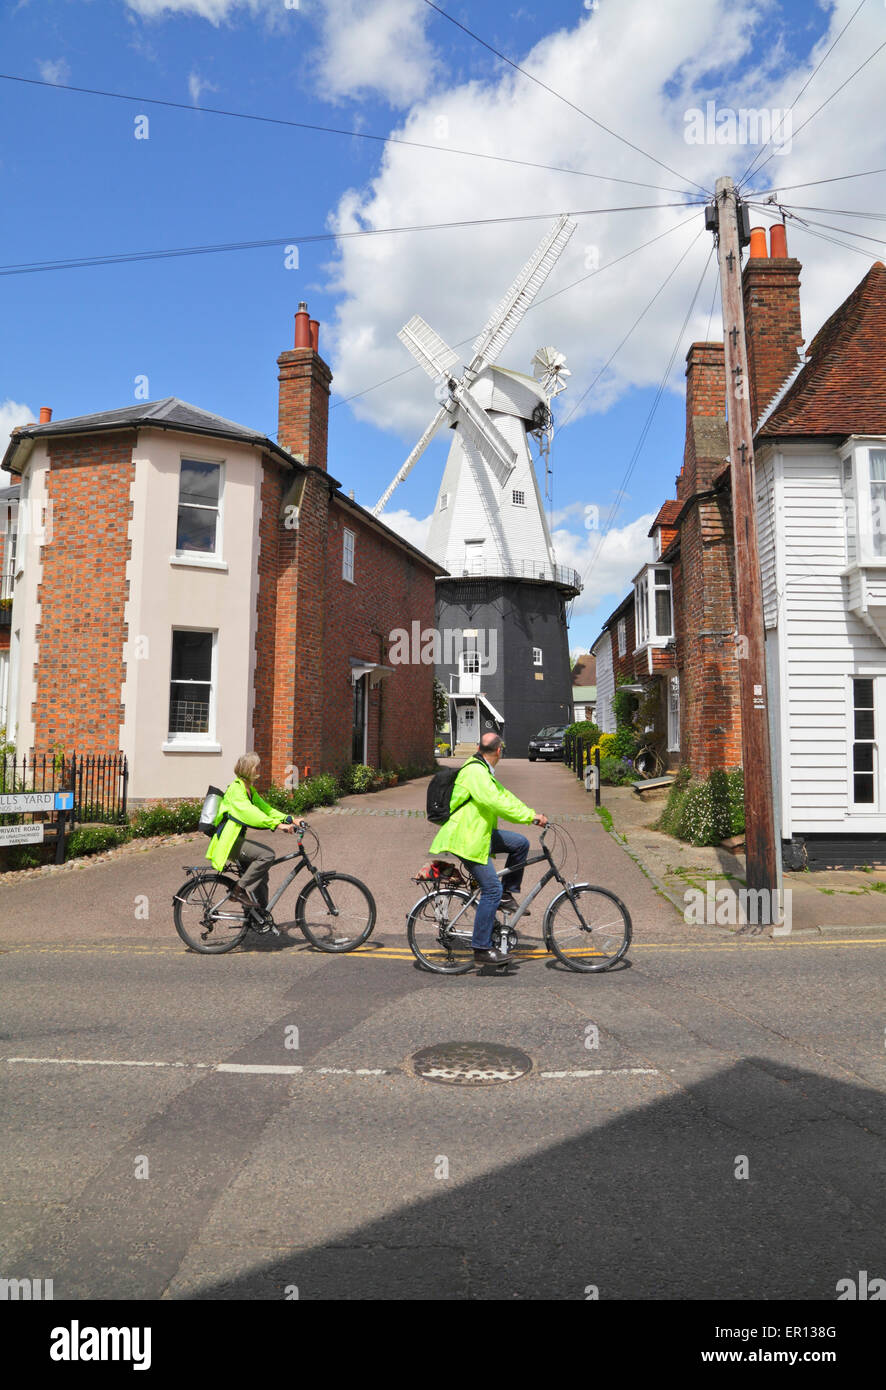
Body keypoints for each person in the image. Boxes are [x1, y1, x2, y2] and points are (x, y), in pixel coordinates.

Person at [429, 732, 548, 966]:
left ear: (479, 747)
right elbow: (495, 802)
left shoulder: (482, 769)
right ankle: (481, 948)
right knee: (490, 889)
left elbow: (504, 796)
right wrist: (530, 818)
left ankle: (507, 892)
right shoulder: (475, 771)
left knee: (520, 844)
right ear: (499, 751)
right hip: (466, 838)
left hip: (479, 834)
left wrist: (532, 813)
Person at [206, 753, 301, 917]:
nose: (260, 769)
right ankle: (238, 890)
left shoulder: (249, 789)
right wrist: (278, 825)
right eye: (257, 766)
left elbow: (266, 809)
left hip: (236, 840)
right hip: (228, 842)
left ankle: (259, 916)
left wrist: (290, 818)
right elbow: (251, 814)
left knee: (261, 875)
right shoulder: (236, 789)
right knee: (267, 855)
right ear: (248, 769)